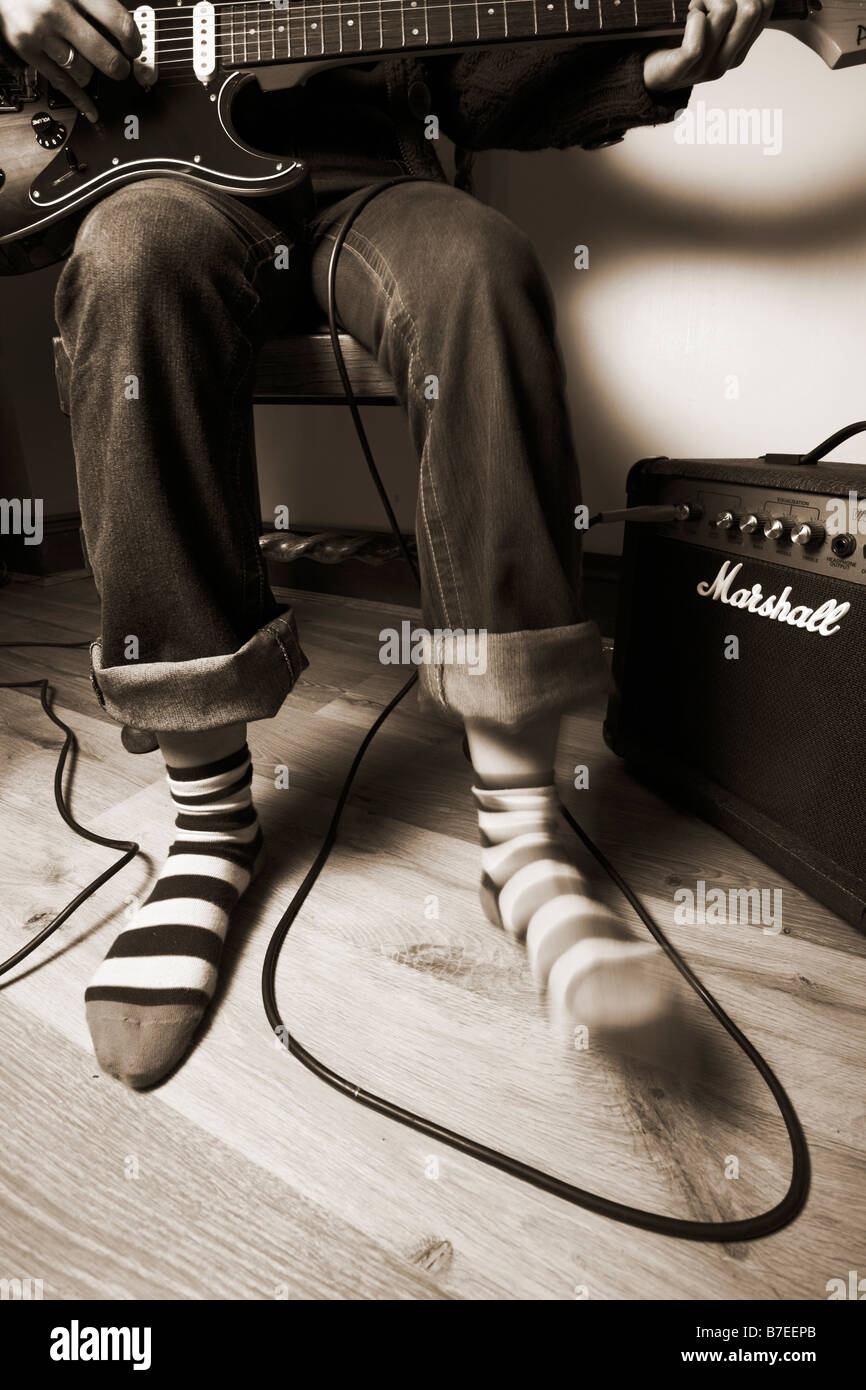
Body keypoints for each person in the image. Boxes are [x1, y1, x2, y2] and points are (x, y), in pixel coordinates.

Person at [2, 0, 772, 1087]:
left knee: (478, 264)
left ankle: (521, 837)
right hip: (156, 174)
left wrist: (646, 59)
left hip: (368, 177)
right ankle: (209, 823)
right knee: (128, 264)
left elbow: (470, 73)